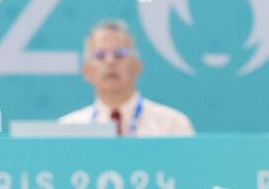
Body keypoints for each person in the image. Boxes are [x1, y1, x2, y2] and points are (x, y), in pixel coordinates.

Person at [58, 20, 194, 137]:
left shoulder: (172, 126)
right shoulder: (68, 130)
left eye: (119, 54)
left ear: (137, 66)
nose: (110, 61)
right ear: (86, 71)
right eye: (100, 55)